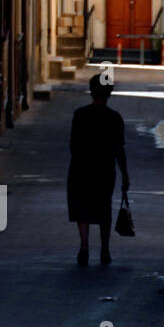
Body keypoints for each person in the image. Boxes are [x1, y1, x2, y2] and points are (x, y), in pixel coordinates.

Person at [67, 74, 130, 265]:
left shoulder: (80, 114)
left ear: (91, 91)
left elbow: (73, 145)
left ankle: (84, 246)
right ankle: (104, 250)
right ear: (109, 93)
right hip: (104, 170)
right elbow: (119, 149)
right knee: (104, 207)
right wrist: (125, 175)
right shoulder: (114, 118)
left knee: (81, 206)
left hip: (81, 168)